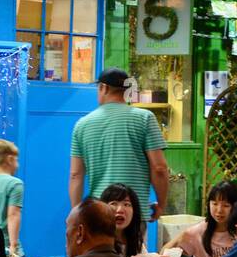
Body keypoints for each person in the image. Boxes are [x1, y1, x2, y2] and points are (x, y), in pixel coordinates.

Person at [69, 68, 170, 237]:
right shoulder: (144, 118)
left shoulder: (82, 125)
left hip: (99, 212)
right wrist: (161, 204)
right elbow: (159, 167)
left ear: (104, 88)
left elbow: (75, 175)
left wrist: (77, 212)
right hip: (133, 214)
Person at [100, 183, 180, 257]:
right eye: (114, 203)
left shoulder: (135, 238)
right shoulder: (98, 241)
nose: (120, 209)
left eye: (127, 204)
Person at [174, 181, 237, 257]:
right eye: (214, 204)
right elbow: (165, 253)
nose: (219, 210)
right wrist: (183, 235)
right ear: (208, 204)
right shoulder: (197, 232)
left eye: (226, 205)